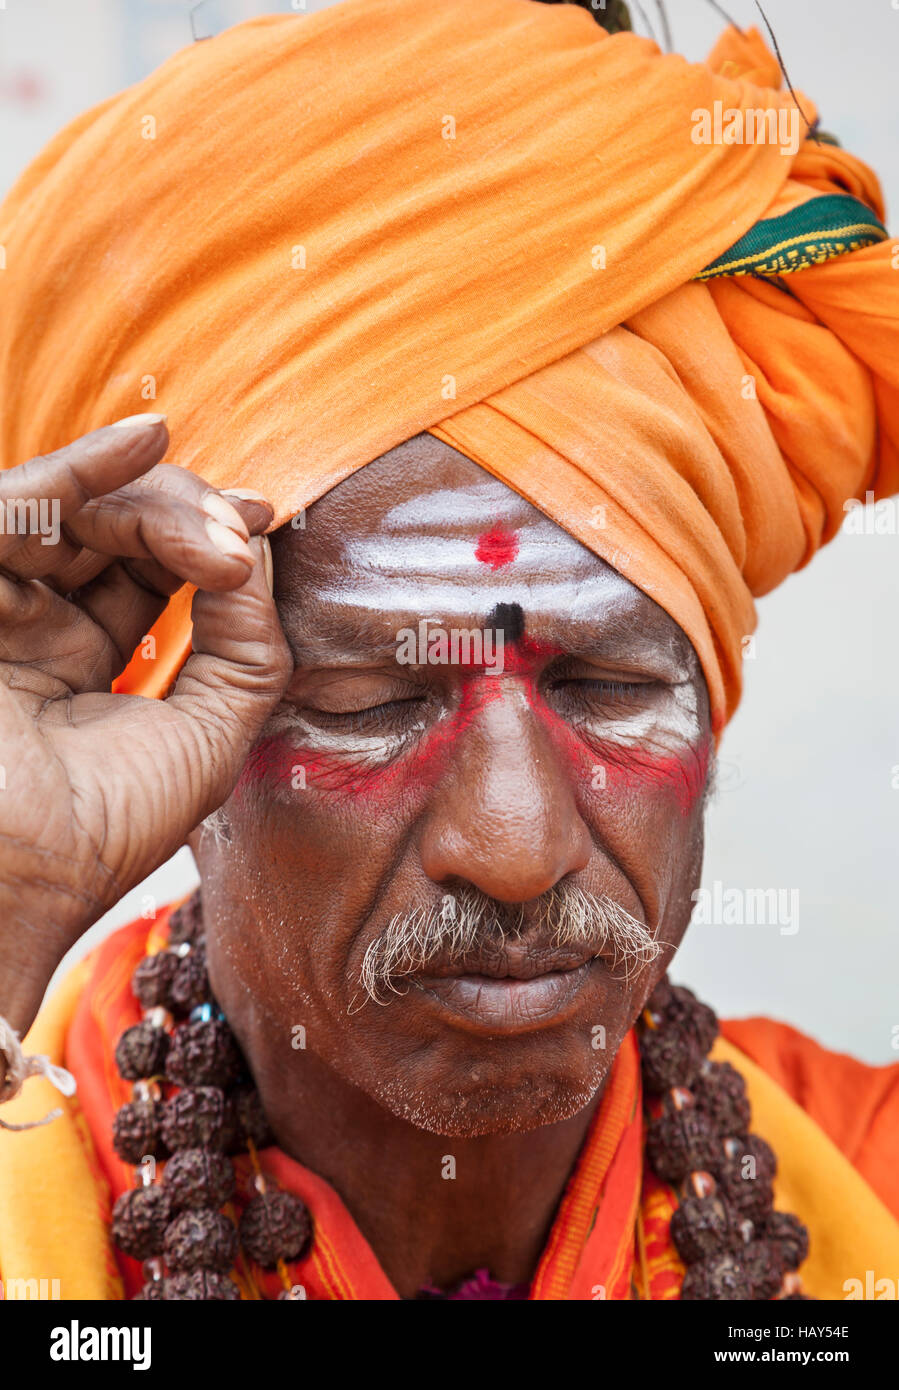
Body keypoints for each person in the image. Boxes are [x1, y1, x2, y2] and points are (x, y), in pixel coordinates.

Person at [0, 0, 896, 1301]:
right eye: (372, 701)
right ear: (161, 721)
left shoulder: (868, 1176)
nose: (518, 843)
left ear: (710, 714)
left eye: (607, 686)